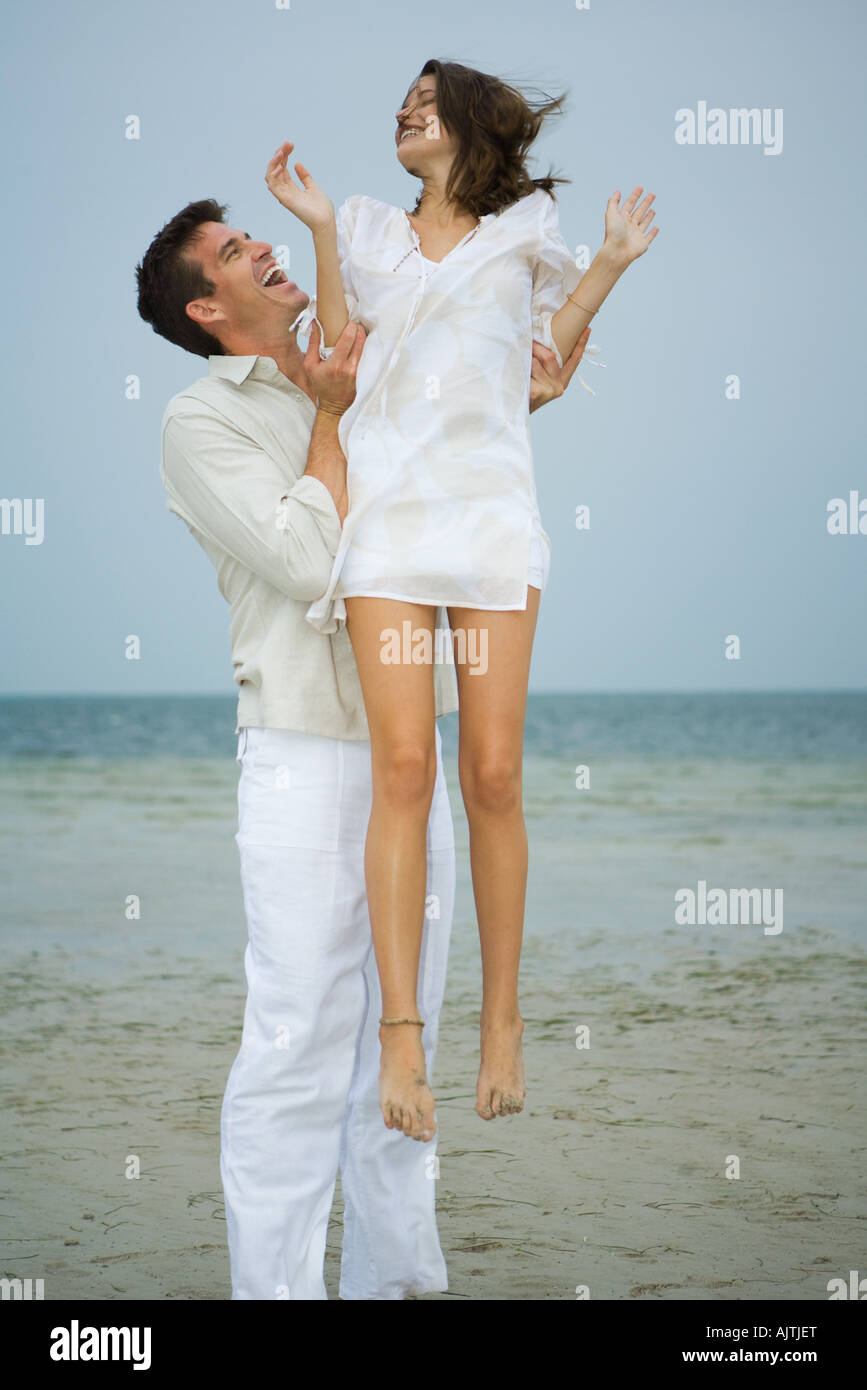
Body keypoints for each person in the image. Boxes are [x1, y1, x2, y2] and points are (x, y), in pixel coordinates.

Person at [135, 196, 588, 1298]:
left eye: (256, 236)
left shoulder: (360, 356)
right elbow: (301, 559)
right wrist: (333, 419)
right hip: (298, 756)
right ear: (208, 305)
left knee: (405, 1039)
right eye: (238, 253)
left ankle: (400, 1283)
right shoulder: (203, 423)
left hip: (406, 763)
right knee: (295, 1046)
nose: (266, 252)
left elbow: (459, 442)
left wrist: (533, 389)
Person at [265, 57, 658, 1144]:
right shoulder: (364, 225)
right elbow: (341, 357)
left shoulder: (523, 226)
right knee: (405, 766)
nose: (405, 112)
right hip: (390, 522)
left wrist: (613, 266)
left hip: (487, 516)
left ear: (473, 124)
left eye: (426, 103)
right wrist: (318, 233)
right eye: (400, 103)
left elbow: (544, 358)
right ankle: (402, 1032)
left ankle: (502, 1019)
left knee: (491, 771)